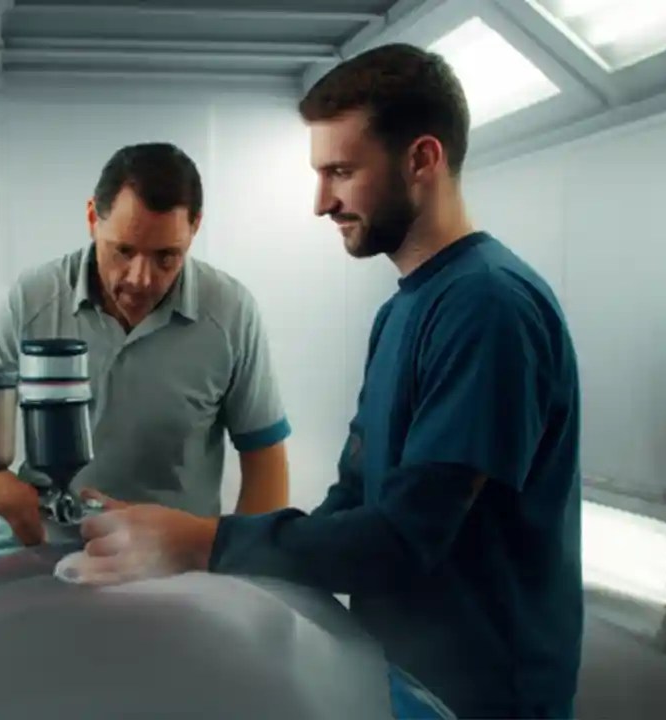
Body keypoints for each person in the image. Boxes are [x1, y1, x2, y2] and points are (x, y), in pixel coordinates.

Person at [72, 44, 584, 719]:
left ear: (422, 160)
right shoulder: (404, 309)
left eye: (341, 171)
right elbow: (353, 500)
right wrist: (235, 581)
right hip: (403, 677)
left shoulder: (488, 306)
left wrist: (203, 543)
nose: (321, 202)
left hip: (481, 697)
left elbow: (407, 537)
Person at [0, 142, 292, 545]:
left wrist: (244, 563)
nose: (141, 279)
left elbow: (264, 457)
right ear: (92, 218)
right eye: (123, 250)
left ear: (195, 227)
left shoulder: (231, 312)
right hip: (45, 559)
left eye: (166, 257)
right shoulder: (27, 301)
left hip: (178, 567)